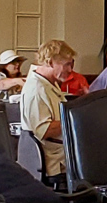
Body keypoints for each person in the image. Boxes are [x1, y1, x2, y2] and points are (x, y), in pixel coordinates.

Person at [23, 40, 78, 185]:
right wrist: (77, 121)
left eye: (71, 64)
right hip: (55, 161)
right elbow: (44, 129)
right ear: (50, 62)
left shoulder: (48, 83)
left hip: (62, 153)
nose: (70, 70)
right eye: (67, 64)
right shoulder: (37, 89)